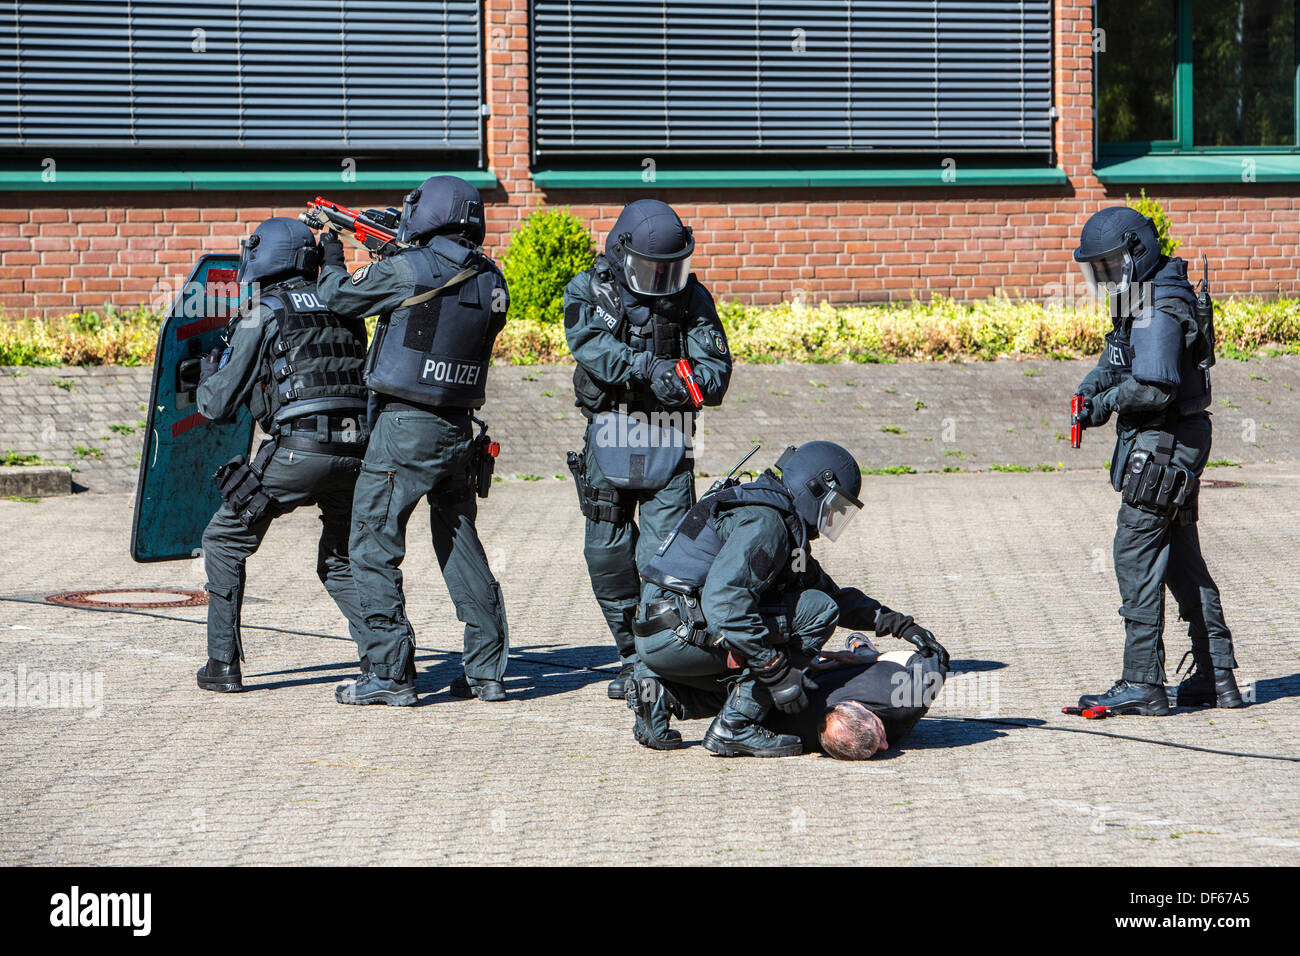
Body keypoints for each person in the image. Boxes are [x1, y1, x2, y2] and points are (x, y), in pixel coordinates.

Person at [316, 175, 510, 706]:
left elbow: (340, 298)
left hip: (405, 427)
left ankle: (389, 671)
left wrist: (332, 251)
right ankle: (487, 672)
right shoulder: (492, 278)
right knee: (459, 543)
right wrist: (390, 252)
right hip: (459, 430)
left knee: (371, 545)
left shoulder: (410, 267)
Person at [626, 440, 947, 756]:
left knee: (760, 673)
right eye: (837, 506)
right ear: (817, 489)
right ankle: (736, 727)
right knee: (811, 621)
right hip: (681, 632)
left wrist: (899, 625)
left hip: (660, 631)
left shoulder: (771, 512)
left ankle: (662, 697)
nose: (835, 517)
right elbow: (725, 604)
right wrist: (775, 672)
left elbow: (828, 590)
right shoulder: (767, 524)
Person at [1071, 206, 1240, 715]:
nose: (1102, 278)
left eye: (1107, 266)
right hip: (1171, 444)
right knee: (1181, 558)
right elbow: (1118, 358)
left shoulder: (1159, 306)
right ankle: (1217, 678)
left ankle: (1143, 682)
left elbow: (1155, 384)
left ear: (1135, 252)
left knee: (1135, 553)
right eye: (1094, 268)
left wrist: (1106, 403)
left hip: (1164, 445)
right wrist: (1090, 387)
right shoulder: (1138, 292)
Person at [563, 199, 732, 700]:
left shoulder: (692, 297)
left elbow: (717, 365)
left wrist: (694, 381)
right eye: (649, 267)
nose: (661, 277)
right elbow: (589, 344)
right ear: (621, 251)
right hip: (610, 430)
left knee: (663, 561)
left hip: (669, 434)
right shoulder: (589, 288)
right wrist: (645, 368)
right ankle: (629, 655)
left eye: (669, 268)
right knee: (605, 553)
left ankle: (657, 662)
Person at [194, 216, 369, 693]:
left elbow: (216, 405)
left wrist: (211, 370)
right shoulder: (346, 304)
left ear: (262, 256)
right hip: (359, 452)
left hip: (299, 452)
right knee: (341, 560)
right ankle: (388, 660)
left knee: (224, 539)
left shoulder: (263, 310)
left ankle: (222, 665)